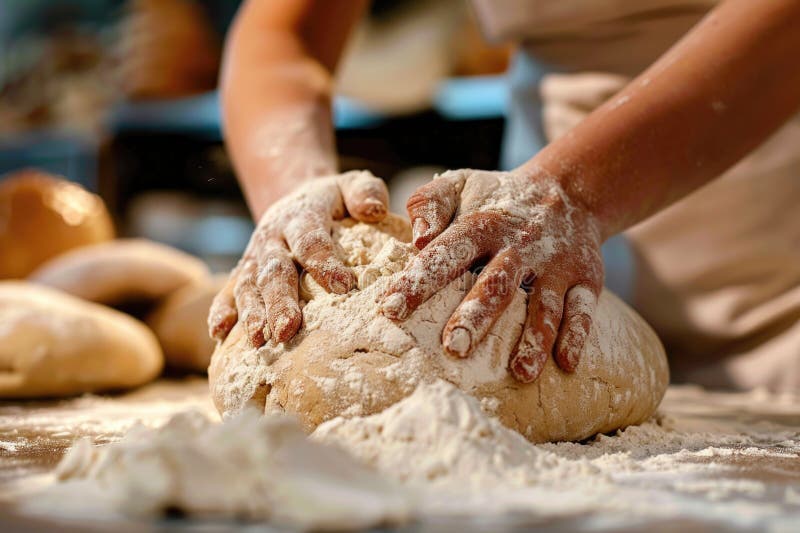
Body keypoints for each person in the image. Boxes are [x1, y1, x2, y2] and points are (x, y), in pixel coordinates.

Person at [209, 0, 800, 391]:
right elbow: (288, 30)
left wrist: (575, 192)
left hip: (773, 269)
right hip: (545, 260)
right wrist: (296, 195)